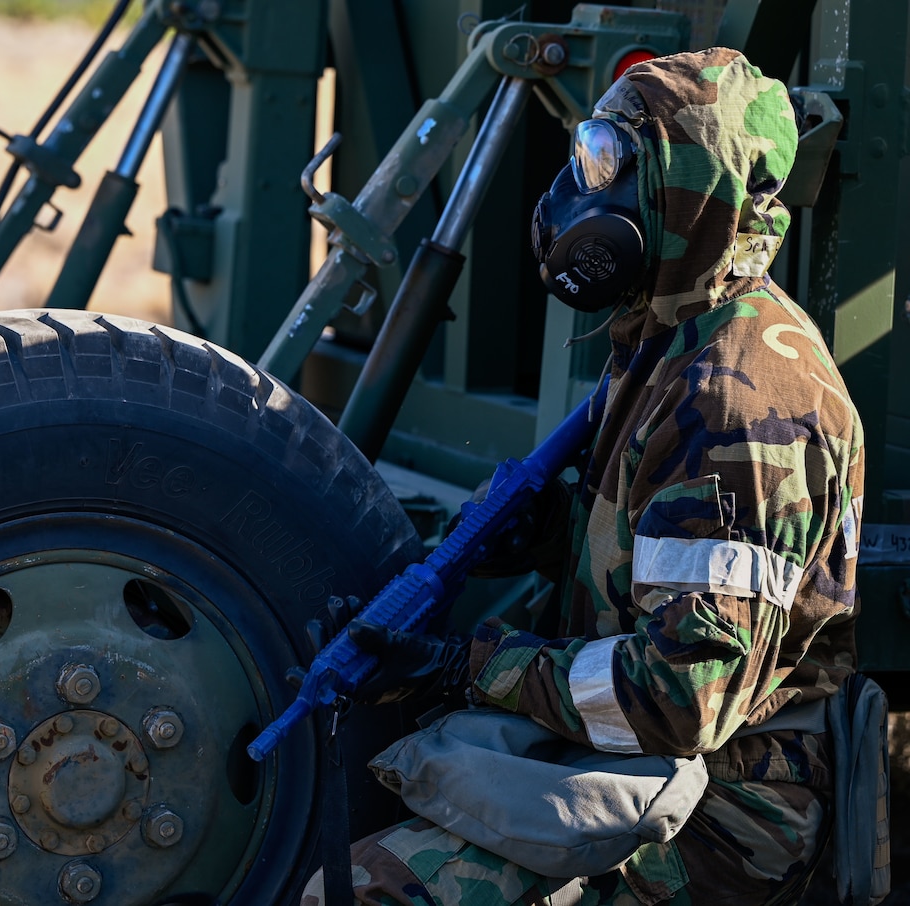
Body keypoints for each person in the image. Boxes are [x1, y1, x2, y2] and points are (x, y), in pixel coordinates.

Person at [300, 47, 865, 906]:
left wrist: (467, 667)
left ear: (691, 189)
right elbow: (659, 554)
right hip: (634, 763)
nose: (581, 189)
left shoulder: (737, 403)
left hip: (730, 811)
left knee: (369, 893)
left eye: (610, 162)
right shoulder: (671, 335)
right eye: (587, 152)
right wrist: (551, 532)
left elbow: (683, 697)